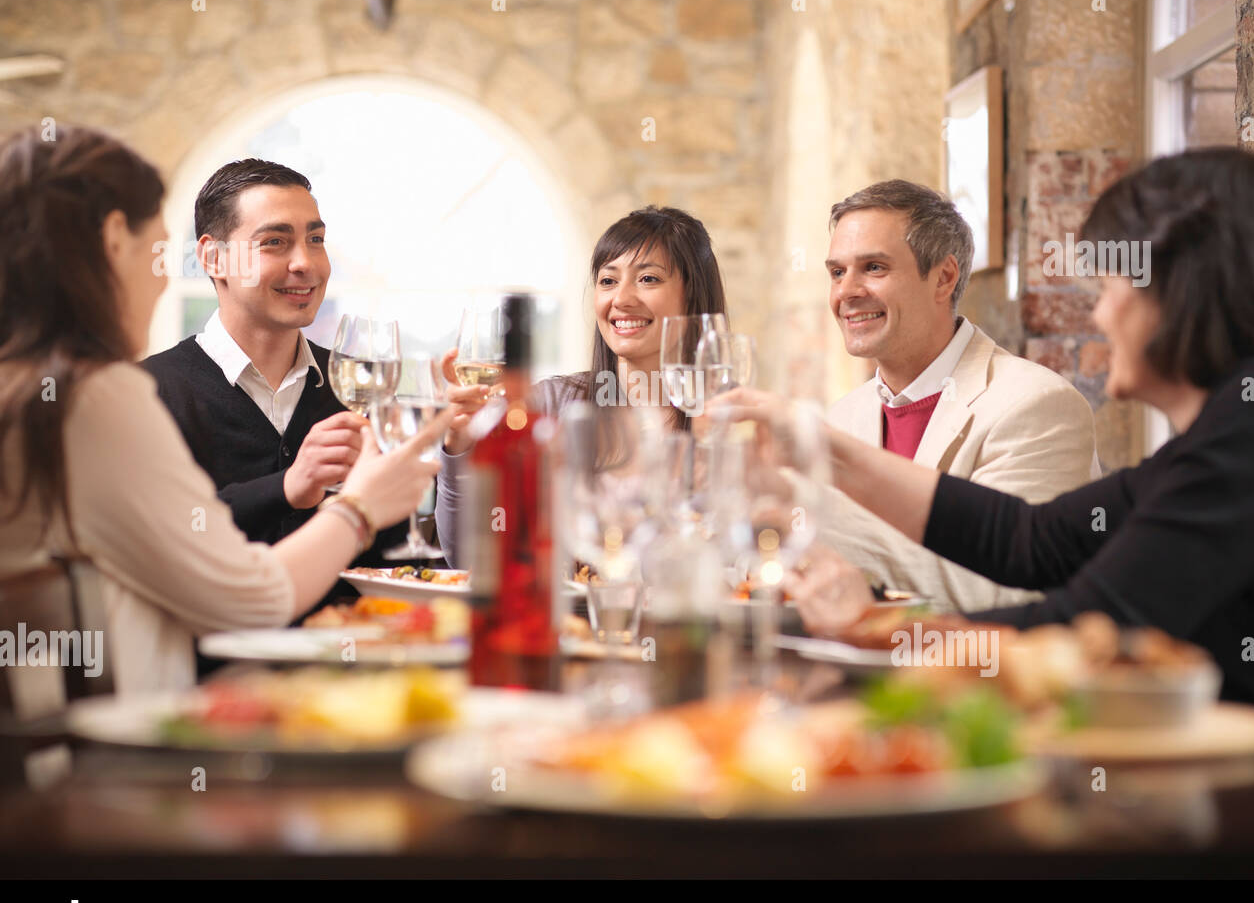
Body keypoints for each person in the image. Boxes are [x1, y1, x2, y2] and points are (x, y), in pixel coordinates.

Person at [718, 148, 1254, 711]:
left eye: (1110, 288)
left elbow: (1082, 623)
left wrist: (873, 628)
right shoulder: (1230, 427)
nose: (1098, 315)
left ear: (1184, 288)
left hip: (1233, 794)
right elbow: (1027, 538)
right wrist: (816, 446)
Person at [0, 126, 450, 694]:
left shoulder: (28, 388)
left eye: (316, 239)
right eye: (155, 251)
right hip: (143, 741)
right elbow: (247, 599)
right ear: (117, 240)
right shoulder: (102, 397)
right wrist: (359, 507)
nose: (162, 282)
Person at [814, 179, 1099, 612]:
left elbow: (1010, 588)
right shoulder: (839, 420)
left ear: (944, 277)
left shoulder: (1038, 405)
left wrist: (799, 516)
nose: (847, 292)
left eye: (873, 267)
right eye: (837, 272)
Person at [433, 205, 729, 566]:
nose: (620, 299)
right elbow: (470, 560)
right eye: (608, 280)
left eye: (648, 279)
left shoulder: (729, 426)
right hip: (569, 623)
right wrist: (461, 448)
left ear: (693, 296)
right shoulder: (550, 405)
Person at [141, 159, 400, 554]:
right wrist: (287, 487)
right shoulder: (144, 395)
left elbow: (402, 559)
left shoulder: (365, 389)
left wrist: (453, 454)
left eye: (315, 240)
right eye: (274, 242)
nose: (306, 264)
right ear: (213, 258)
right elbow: (154, 541)